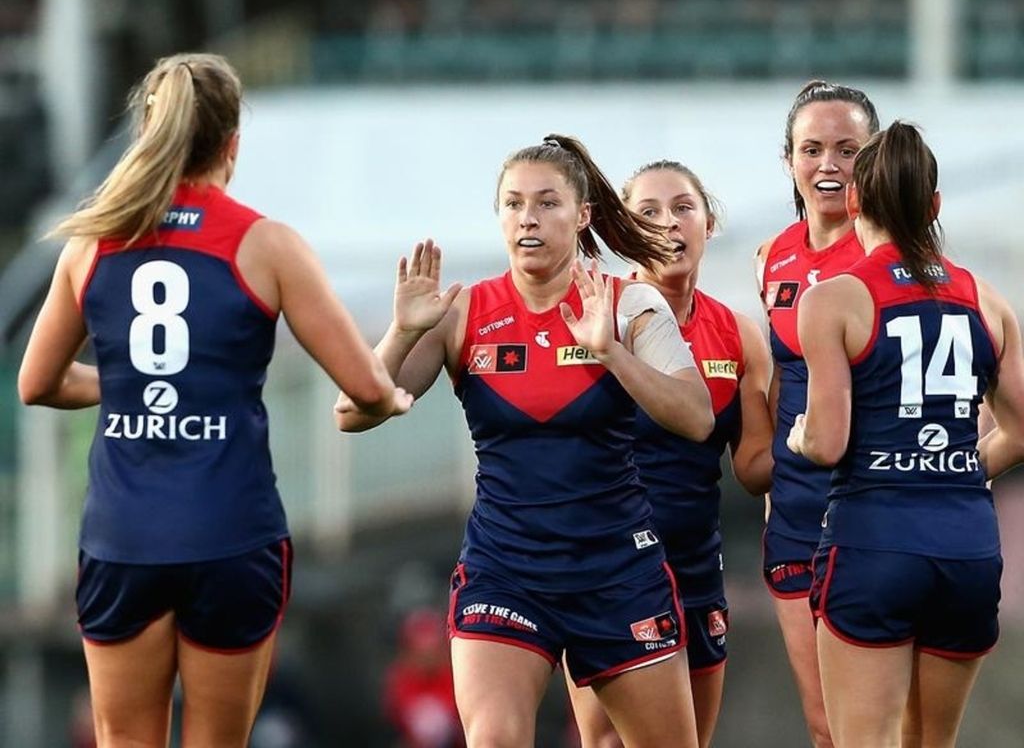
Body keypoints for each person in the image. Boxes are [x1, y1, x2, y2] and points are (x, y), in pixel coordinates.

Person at [17, 53, 410, 748]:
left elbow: (37, 382)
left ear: (148, 134)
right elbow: (367, 390)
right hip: (233, 533)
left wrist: (133, 386)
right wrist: (394, 394)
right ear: (232, 144)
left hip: (124, 538)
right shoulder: (268, 244)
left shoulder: (93, 242)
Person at [336, 134, 715, 748]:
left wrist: (611, 353)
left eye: (546, 203)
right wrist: (402, 334)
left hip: (617, 570)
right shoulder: (463, 312)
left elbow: (696, 417)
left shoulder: (628, 303)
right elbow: (353, 412)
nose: (528, 219)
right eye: (513, 205)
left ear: (583, 214)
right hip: (507, 569)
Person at [786, 120, 1024, 748]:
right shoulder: (987, 301)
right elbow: (1021, 430)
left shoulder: (833, 300)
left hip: (873, 541)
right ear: (935, 206)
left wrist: (801, 436)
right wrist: (962, 468)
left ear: (856, 201)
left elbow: (829, 443)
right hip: (966, 545)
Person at [563, 160, 773, 748]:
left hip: (696, 565)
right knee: (606, 742)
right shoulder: (596, 316)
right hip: (607, 567)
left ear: (709, 222)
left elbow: (754, 468)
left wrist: (829, 423)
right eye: (648, 213)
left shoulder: (737, 333)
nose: (669, 224)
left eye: (684, 208)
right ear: (623, 231)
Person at [754, 80, 880, 747]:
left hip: (875, 517)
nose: (828, 164)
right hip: (797, 518)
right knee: (824, 726)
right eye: (812, 149)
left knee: (885, 727)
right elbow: (784, 378)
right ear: (789, 161)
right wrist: (772, 479)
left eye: (847, 149)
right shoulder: (771, 256)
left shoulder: (892, 260)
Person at [382, 607, 464, 748]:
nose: (428, 656)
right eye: (421, 650)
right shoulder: (400, 680)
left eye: (433, 649)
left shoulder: (457, 675)